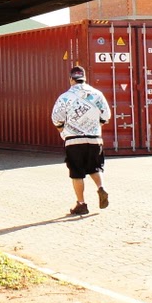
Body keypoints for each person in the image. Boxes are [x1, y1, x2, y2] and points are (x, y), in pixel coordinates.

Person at [51, 64, 111, 217]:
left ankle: (81, 204)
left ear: (71, 79)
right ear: (84, 78)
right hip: (95, 140)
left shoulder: (65, 97)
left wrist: (62, 130)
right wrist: (97, 125)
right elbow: (106, 116)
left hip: (74, 140)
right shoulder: (97, 94)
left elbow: (56, 118)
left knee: (77, 173)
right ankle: (101, 187)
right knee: (95, 168)